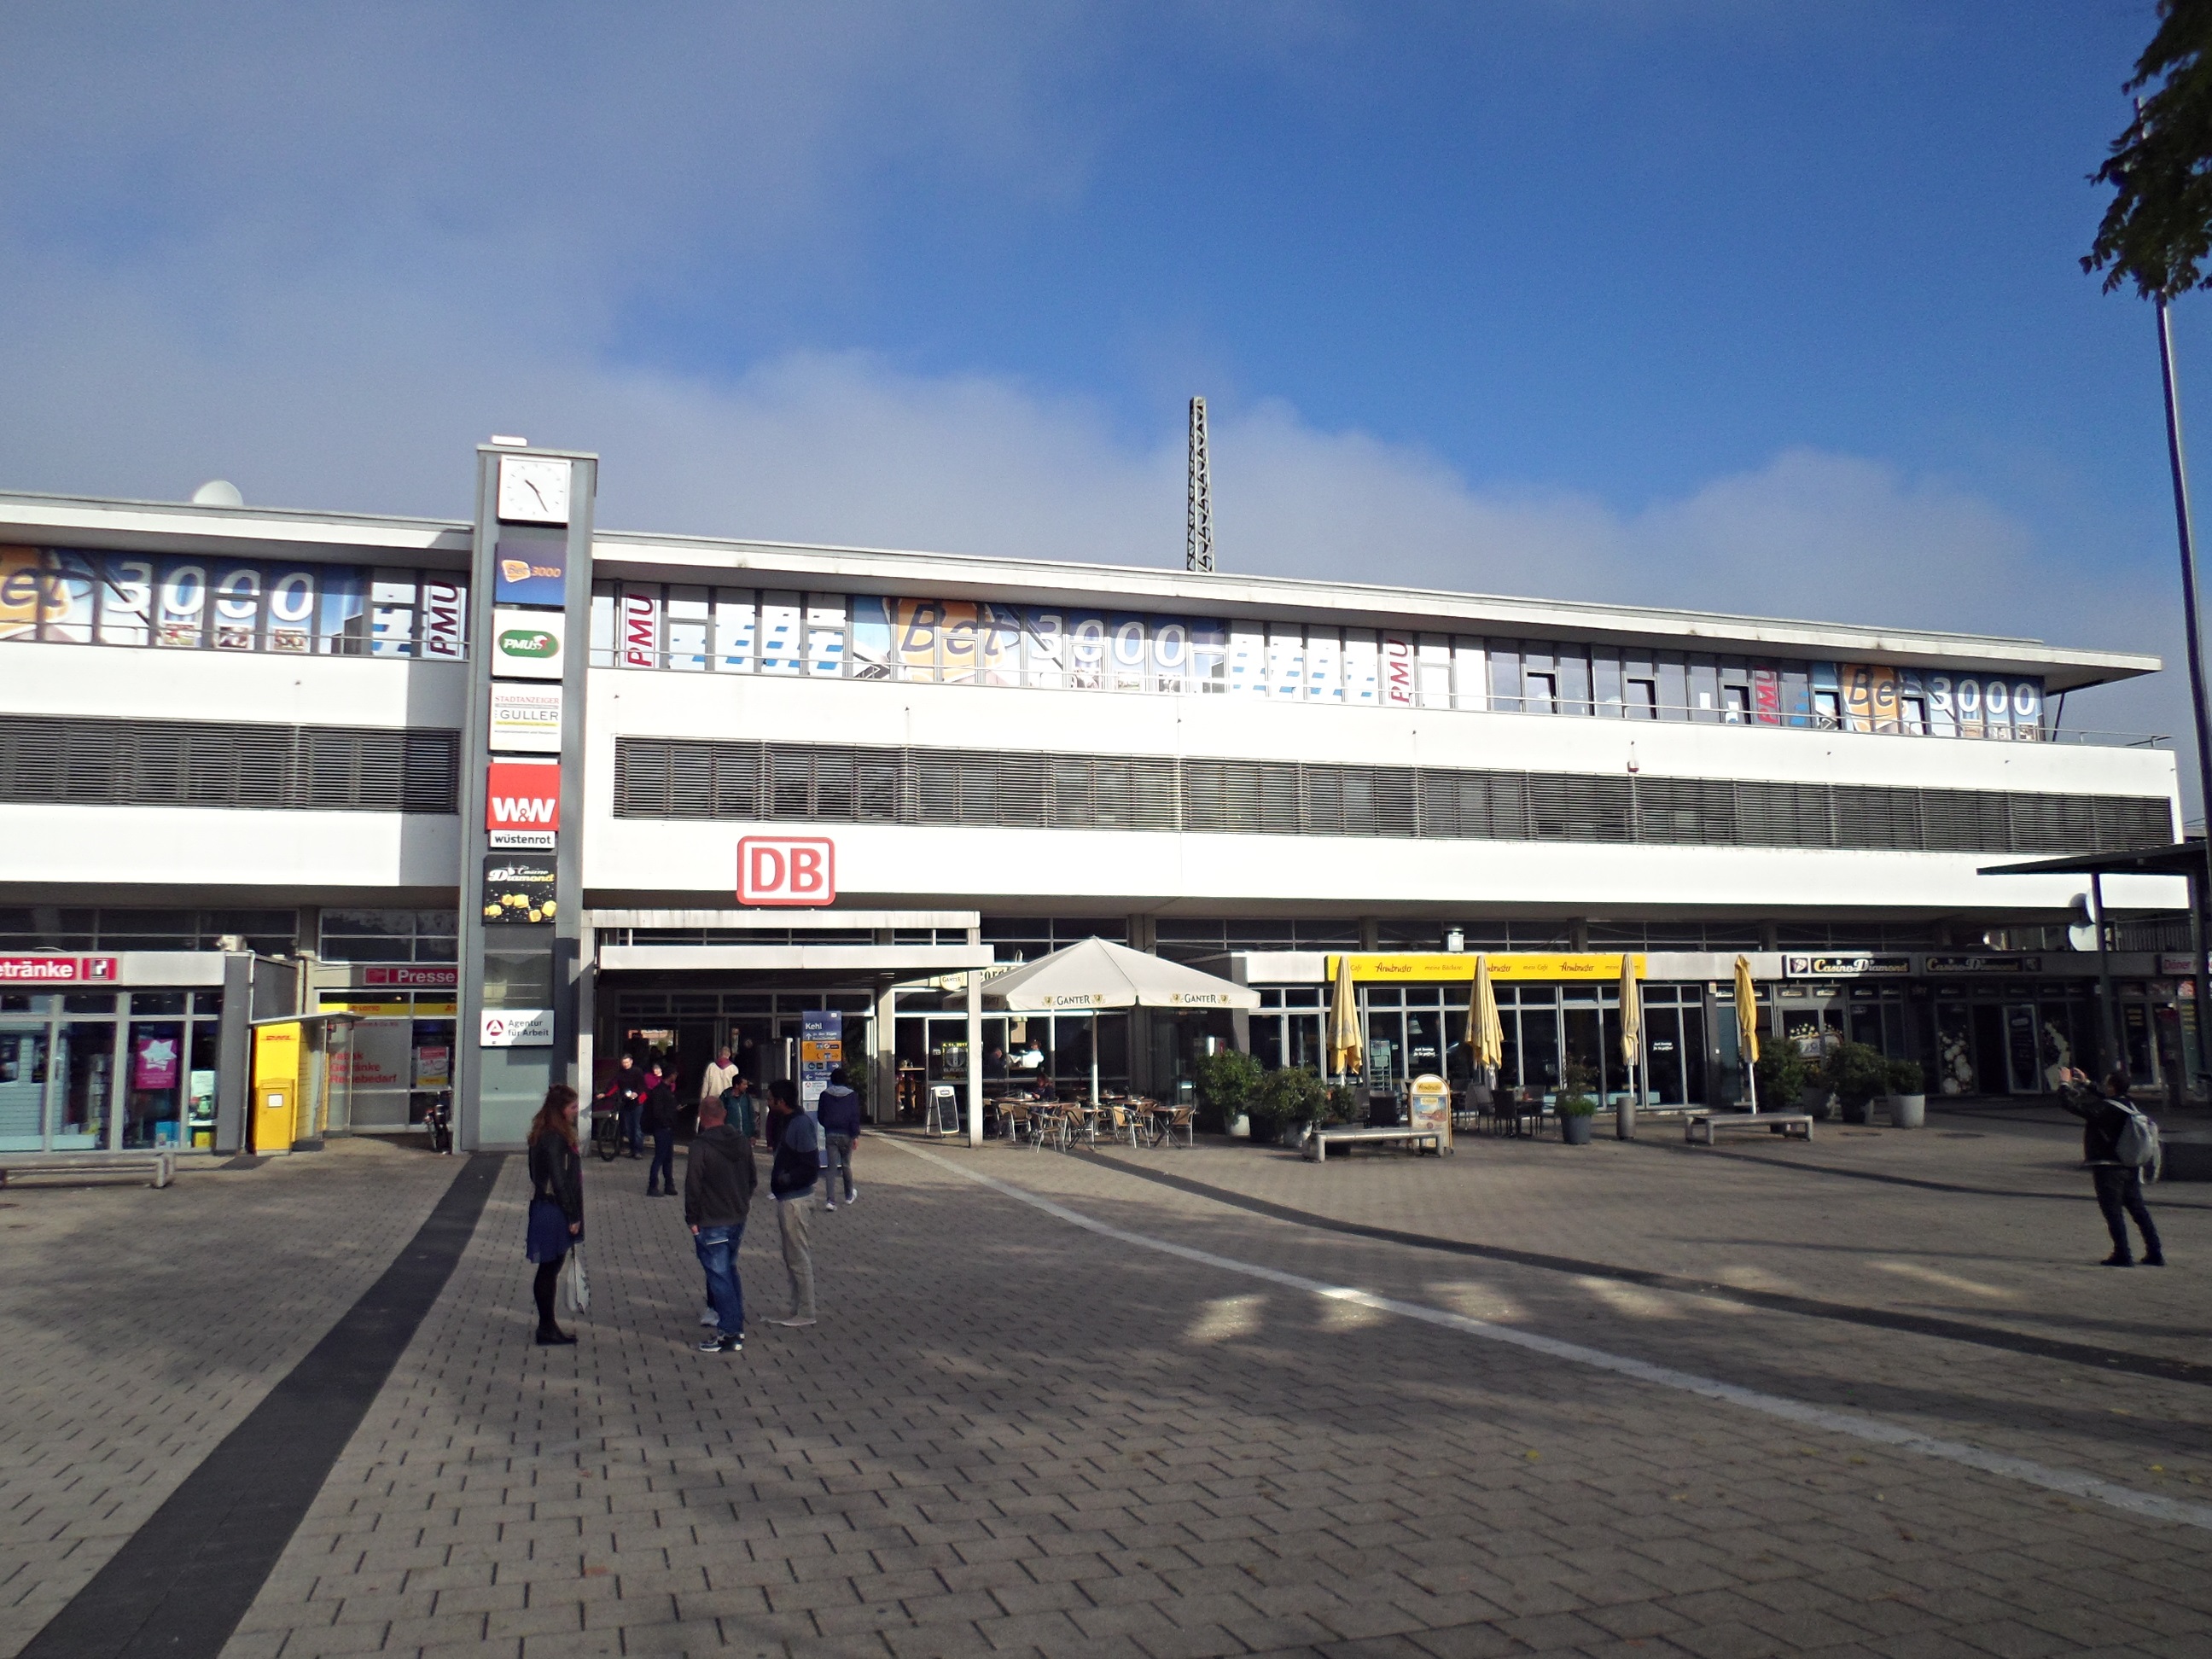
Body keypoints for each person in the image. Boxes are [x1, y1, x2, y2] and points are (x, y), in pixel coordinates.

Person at [2059, 1068, 2165, 1267]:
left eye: (2106, 1083)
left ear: (2112, 1087)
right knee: (2138, 1210)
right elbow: (2105, 1099)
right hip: (2129, 1165)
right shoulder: (2128, 1104)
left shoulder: (2107, 1109)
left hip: (2108, 1167)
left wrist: (2064, 1084)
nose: (2103, 1086)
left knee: (2113, 1212)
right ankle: (2155, 1252)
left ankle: (2123, 1254)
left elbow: (2072, 1105)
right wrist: (2086, 1083)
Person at [684, 1096, 757, 1353]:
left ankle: (730, 1332)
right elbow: (752, 1179)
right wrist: (741, 1203)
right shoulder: (742, 1141)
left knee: (719, 1276)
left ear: (702, 1116)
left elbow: (693, 1184)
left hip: (711, 1220)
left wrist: (692, 1218)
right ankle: (735, 1323)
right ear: (724, 1114)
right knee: (729, 1270)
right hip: (737, 1217)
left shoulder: (700, 1146)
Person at [524, 1084, 585, 1346]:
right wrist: (572, 1215)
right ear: (561, 1109)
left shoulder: (543, 1133)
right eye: (573, 1107)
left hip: (546, 1206)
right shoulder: (554, 1138)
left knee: (549, 1268)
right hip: (554, 1209)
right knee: (550, 1269)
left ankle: (547, 1325)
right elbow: (559, 1180)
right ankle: (546, 1326)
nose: (576, 1111)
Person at [766, 1080, 818, 1327]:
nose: (768, 1103)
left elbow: (811, 1166)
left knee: (798, 1256)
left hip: (796, 1199)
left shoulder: (800, 1124)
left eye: (770, 1098)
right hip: (788, 1197)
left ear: (781, 1101)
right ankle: (797, 1307)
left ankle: (806, 1311)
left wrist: (787, 1178)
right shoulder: (786, 1121)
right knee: (791, 1256)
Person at [817, 1065, 861, 1209]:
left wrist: (827, 1125)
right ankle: (848, 1195)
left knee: (831, 1168)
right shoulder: (852, 1095)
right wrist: (855, 1135)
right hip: (847, 1134)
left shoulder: (825, 1095)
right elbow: (854, 1116)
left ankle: (830, 1201)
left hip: (830, 1133)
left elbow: (820, 1115)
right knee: (846, 1165)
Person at [643, 1064, 680, 1196]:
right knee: (659, 1157)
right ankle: (652, 1186)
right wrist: (666, 1122)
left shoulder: (668, 1090)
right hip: (662, 1128)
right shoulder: (659, 1091)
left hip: (668, 1128)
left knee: (668, 1157)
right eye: (675, 1074)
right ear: (671, 1075)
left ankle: (669, 1184)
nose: (676, 1077)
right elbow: (657, 1111)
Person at [609, 1053, 647, 1159]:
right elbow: (614, 1084)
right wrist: (605, 1093)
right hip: (626, 1102)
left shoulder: (637, 1071)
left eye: (627, 1062)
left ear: (631, 1062)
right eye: (623, 1063)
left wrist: (636, 1093)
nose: (625, 1065)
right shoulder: (620, 1073)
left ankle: (638, 1150)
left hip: (637, 1102)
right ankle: (632, 1149)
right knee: (628, 1128)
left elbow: (642, 1085)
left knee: (637, 1127)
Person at [701, 1045, 740, 1114]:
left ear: (719, 1054)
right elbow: (736, 1088)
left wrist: (702, 1104)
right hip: (728, 1101)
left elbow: (705, 1088)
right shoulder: (734, 1069)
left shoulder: (711, 1067)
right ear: (729, 1055)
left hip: (713, 1101)